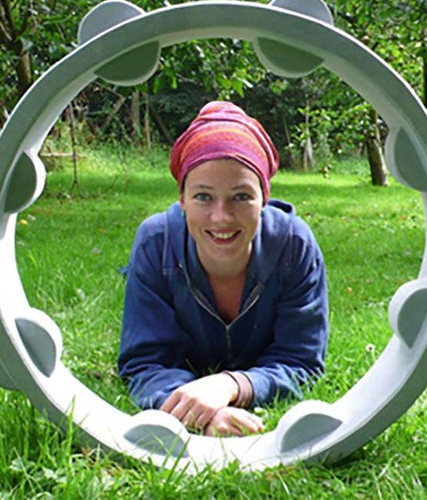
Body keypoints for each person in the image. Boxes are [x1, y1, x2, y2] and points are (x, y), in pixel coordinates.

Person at [117, 100, 329, 437]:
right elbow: (144, 361)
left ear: (264, 198)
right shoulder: (156, 243)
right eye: (203, 196)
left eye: (241, 196)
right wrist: (200, 410)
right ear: (182, 198)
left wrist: (232, 385)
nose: (221, 217)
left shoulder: (294, 245)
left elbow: (301, 360)